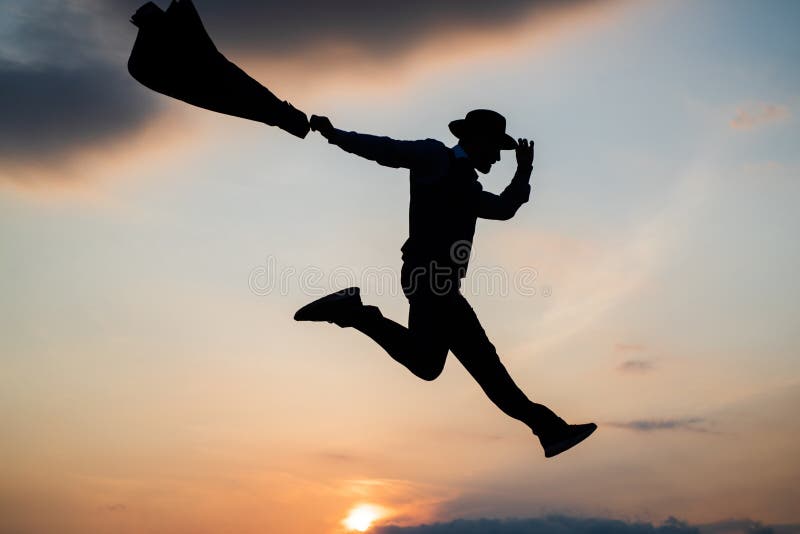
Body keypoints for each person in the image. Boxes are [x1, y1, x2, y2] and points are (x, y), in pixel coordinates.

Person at [294, 109, 596, 458]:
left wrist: (524, 169)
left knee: (432, 365)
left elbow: (504, 208)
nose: (498, 156)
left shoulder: (469, 186)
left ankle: (351, 312)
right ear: (476, 140)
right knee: (484, 370)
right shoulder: (434, 157)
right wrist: (336, 134)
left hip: (440, 283)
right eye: (495, 148)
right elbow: (385, 149)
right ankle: (550, 429)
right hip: (430, 279)